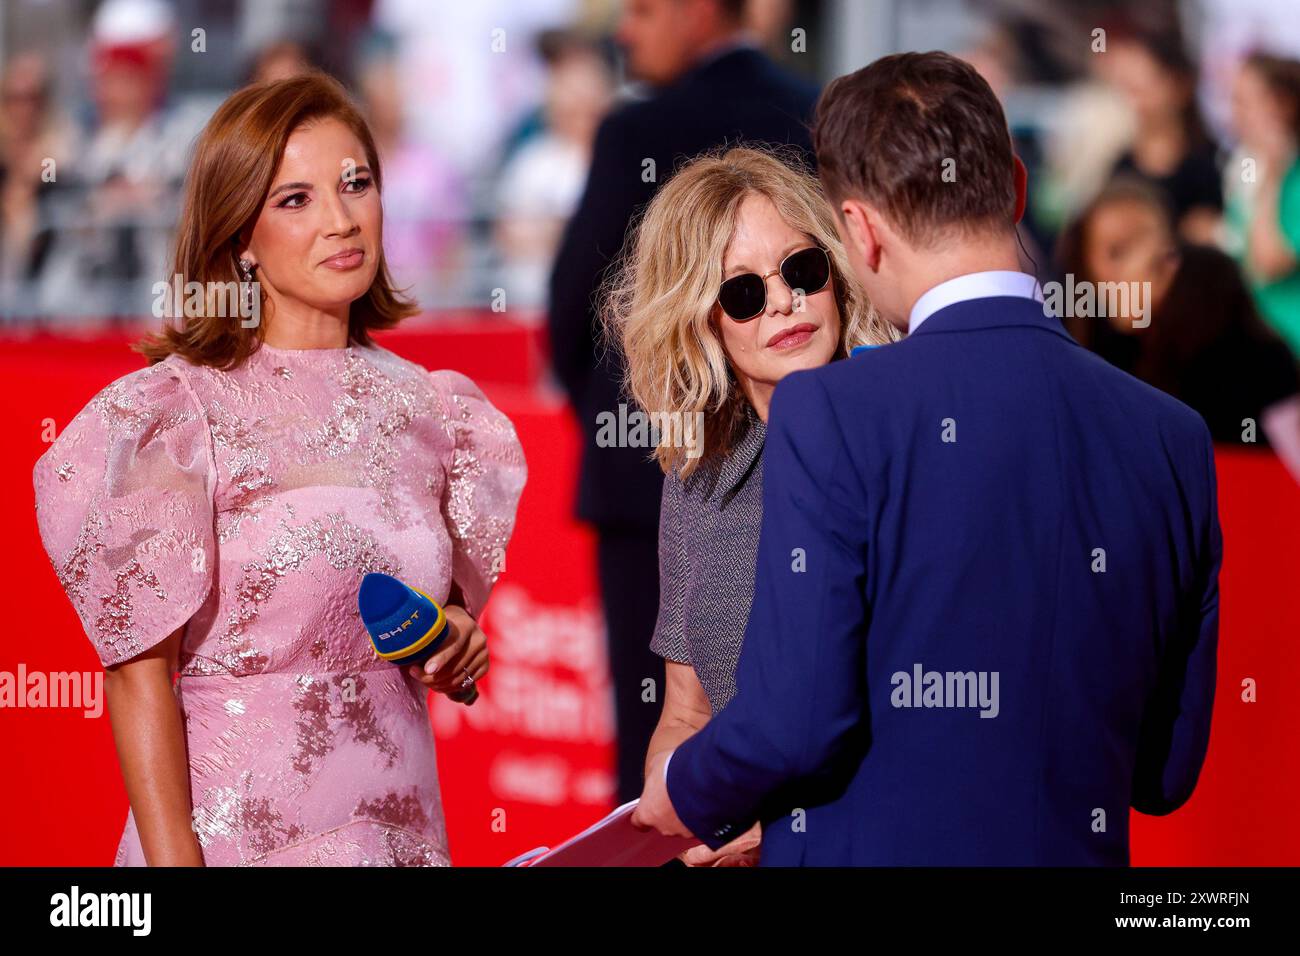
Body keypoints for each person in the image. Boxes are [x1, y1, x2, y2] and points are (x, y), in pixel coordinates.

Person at [633, 51, 1222, 866]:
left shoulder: (832, 413)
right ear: (1017, 188)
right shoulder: (1173, 436)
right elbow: (1166, 770)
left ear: (859, 235)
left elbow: (795, 723)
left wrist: (685, 793)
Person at [32, 72, 526, 866]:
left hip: (403, 831)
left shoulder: (434, 412)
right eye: (295, 200)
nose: (341, 219)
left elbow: (439, 630)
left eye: (355, 183)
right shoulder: (176, 415)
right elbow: (137, 679)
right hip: (237, 842)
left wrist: (456, 638)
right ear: (240, 240)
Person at [548, 0, 819, 804]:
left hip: (651, 480)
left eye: (640, 8)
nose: (625, 33)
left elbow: (573, 319)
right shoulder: (815, 111)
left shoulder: (635, 132)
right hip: (810, 473)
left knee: (658, 749)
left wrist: (650, 426)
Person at [604, 146, 894, 865]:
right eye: (742, 292)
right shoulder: (697, 478)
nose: (783, 302)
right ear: (703, 320)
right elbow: (684, 713)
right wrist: (677, 811)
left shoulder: (901, 434)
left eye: (801, 271)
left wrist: (757, 821)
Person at [1059, 176, 1300, 484]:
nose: (1140, 262)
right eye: (1117, 252)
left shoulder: (1233, 336)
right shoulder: (1081, 358)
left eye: (1150, 241)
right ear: (1086, 267)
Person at [1107, 31, 1223, 243]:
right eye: (1130, 90)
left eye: (1144, 89)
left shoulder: (1214, 165)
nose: (1137, 103)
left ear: (1180, 86)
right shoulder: (1121, 169)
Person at [1222, 52, 1300, 356]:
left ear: (1282, 103)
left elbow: (1267, 262)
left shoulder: (1288, 176)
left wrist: (1275, 173)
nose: (1235, 113)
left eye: (1245, 102)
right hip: (1258, 347)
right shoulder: (1245, 167)